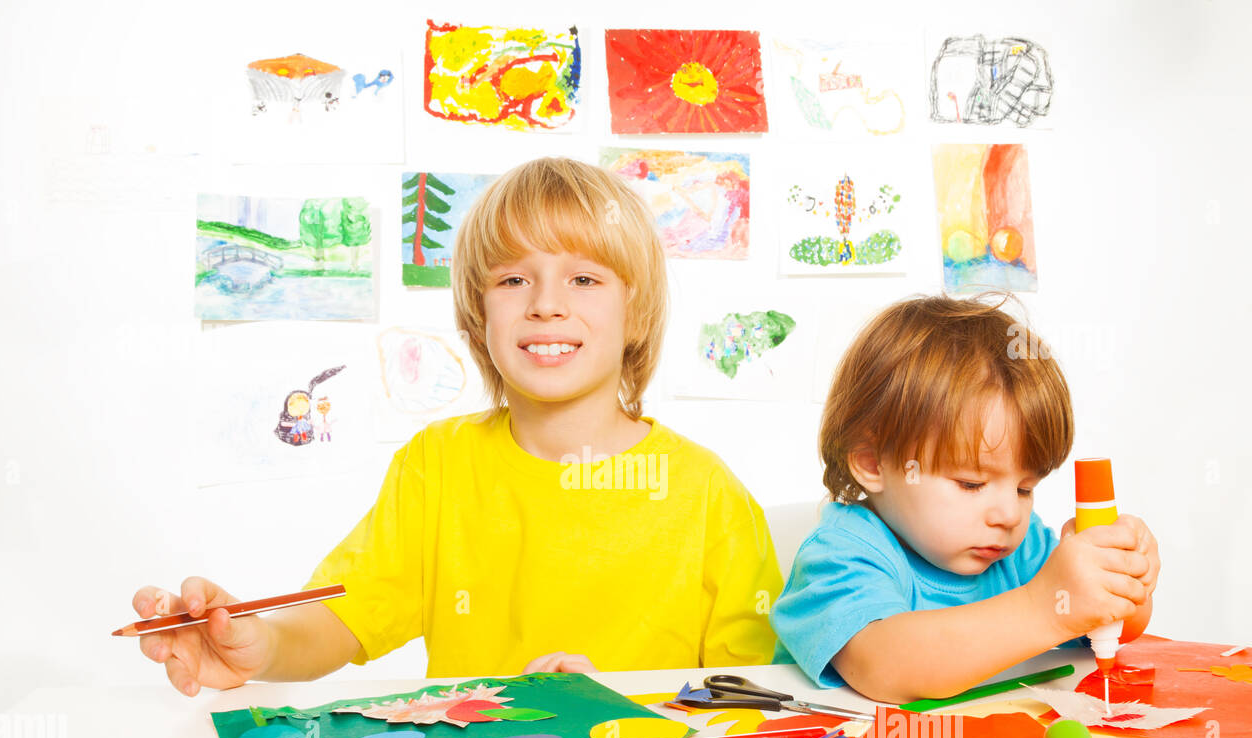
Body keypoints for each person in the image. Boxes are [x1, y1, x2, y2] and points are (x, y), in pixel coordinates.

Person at [132, 157, 782, 695]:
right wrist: (256, 643)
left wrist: (626, 707)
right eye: (513, 279)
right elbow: (339, 617)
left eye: (584, 278)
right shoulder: (436, 467)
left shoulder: (708, 497)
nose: (547, 303)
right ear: (476, 317)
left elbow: (758, 699)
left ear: (635, 313)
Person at [772, 295, 1160, 704]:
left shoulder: (1022, 550)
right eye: (972, 484)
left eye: (1024, 488)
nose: (1009, 514)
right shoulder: (840, 554)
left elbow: (1109, 628)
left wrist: (1123, 580)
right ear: (873, 463)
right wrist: (1044, 607)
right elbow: (886, 665)